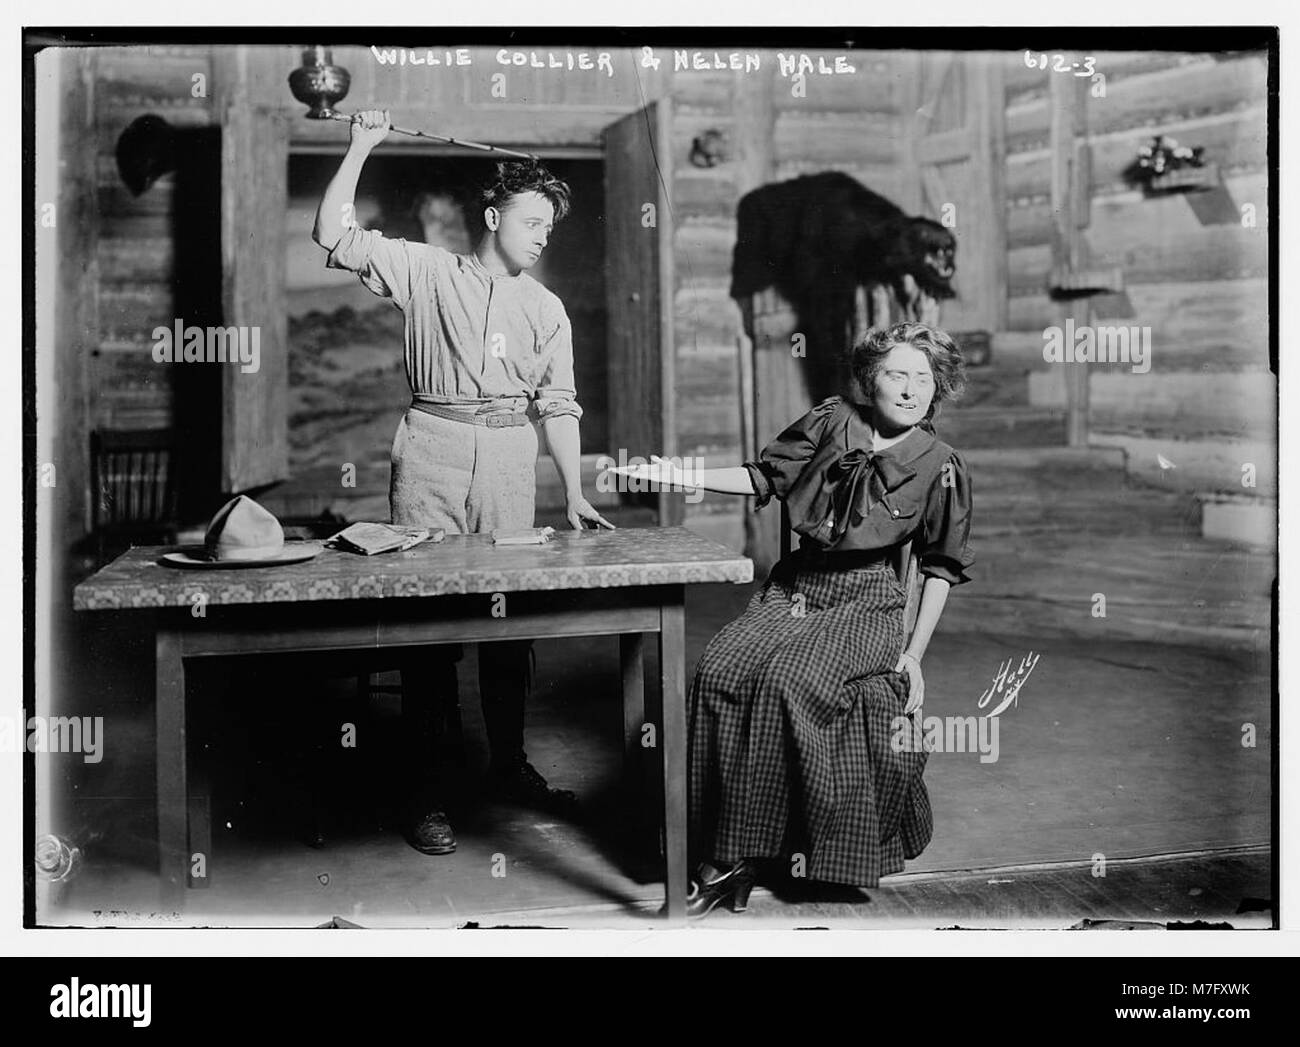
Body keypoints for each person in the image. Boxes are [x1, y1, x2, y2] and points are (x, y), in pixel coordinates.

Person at [312, 109, 613, 856]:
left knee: (507, 630)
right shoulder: (426, 269)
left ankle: (506, 766)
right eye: (532, 219)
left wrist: (572, 490)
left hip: (513, 460)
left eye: (551, 225)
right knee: (429, 628)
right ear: (491, 215)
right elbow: (331, 234)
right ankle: (424, 789)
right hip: (433, 452)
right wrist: (361, 144)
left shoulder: (545, 307)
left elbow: (559, 404)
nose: (544, 234)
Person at [628, 321, 973, 917]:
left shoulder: (941, 464)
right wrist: (680, 475)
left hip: (870, 602)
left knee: (792, 680)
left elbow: (939, 569)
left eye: (924, 377)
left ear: (937, 386)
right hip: (795, 587)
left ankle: (731, 861)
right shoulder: (832, 418)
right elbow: (765, 476)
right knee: (719, 669)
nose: (911, 388)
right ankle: (711, 845)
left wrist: (912, 656)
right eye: (897, 374)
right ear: (872, 380)